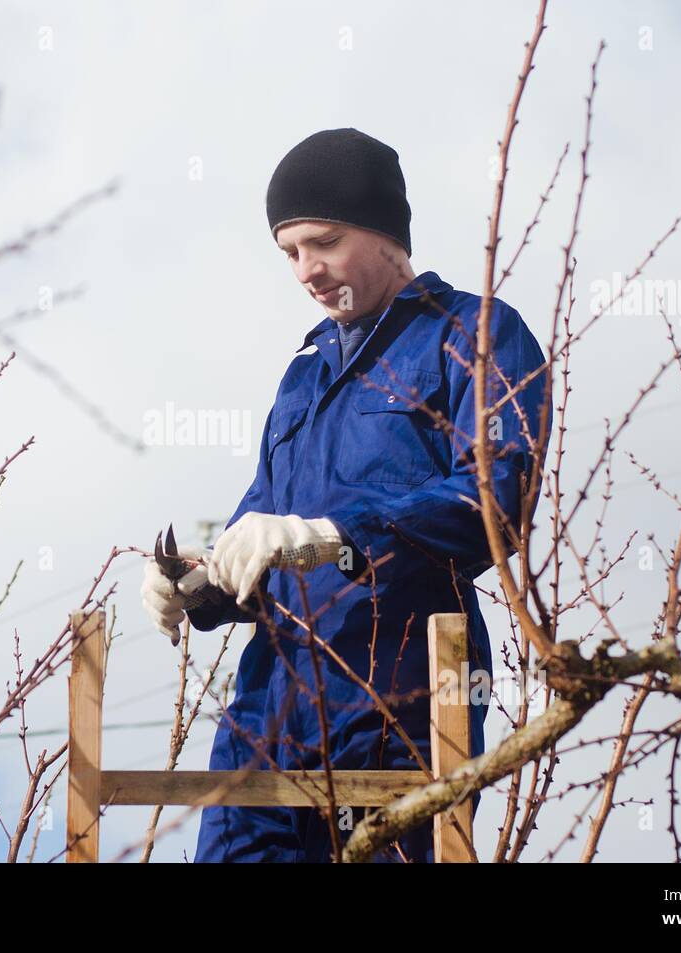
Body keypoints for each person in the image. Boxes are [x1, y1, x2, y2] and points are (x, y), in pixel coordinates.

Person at [140, 128, 550, 862]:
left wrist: (339, 534)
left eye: (322, 242)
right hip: (268, 713)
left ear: (384, 229)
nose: (306, 270)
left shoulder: (472, 332)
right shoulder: (304, 371)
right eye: (289, 252)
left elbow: (499, 500)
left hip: (404, 706)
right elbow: (261, 529)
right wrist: (202, 581)